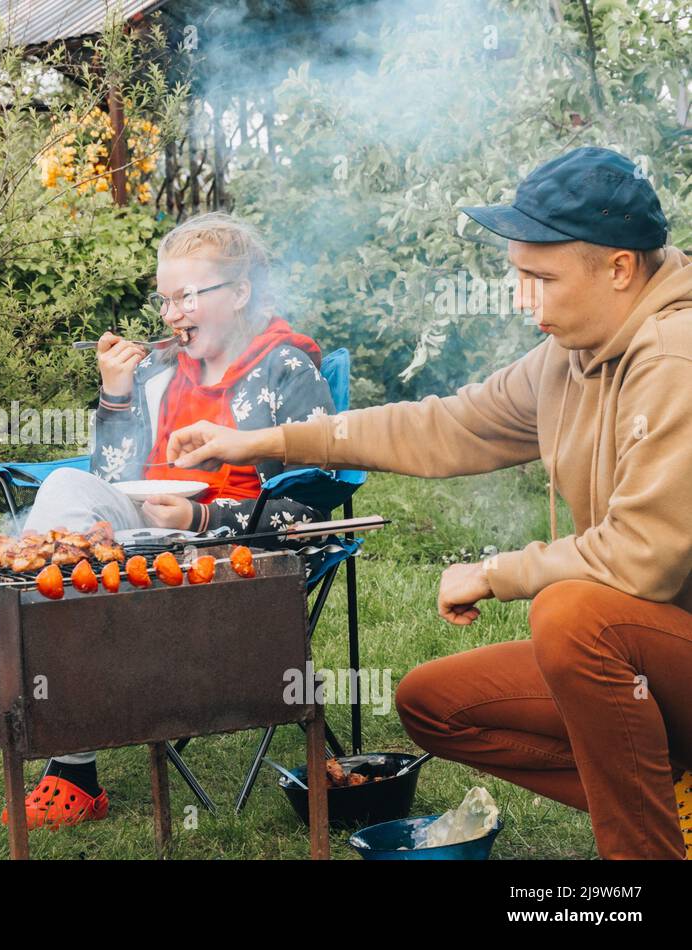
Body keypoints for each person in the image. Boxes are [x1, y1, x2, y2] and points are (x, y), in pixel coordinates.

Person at [169, 147, 692, 859]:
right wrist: (266, 438)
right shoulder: (575, 352)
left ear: (620, 268)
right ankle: (669, 805)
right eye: (517, 277)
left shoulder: (673, 358)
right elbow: (447, 424)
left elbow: (643, 558)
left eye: (540, 279)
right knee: (434, 703)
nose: (521, 300)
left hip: (658, 633)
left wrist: (497, 572)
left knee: (571, 613)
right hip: (657, 650)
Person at [7, 211, 335, 830]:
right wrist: (116, 393)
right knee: (65, 487)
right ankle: (33, 684)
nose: (170, 314)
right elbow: (114, 473)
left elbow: (308, 504)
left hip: (233, 552)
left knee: (100, 553)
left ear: (238, 294)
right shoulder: (161, 372)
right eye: (164, 299)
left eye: (186, 296)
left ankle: (66, 756)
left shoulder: (285, 371)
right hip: (140, 530)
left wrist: (203, 514)